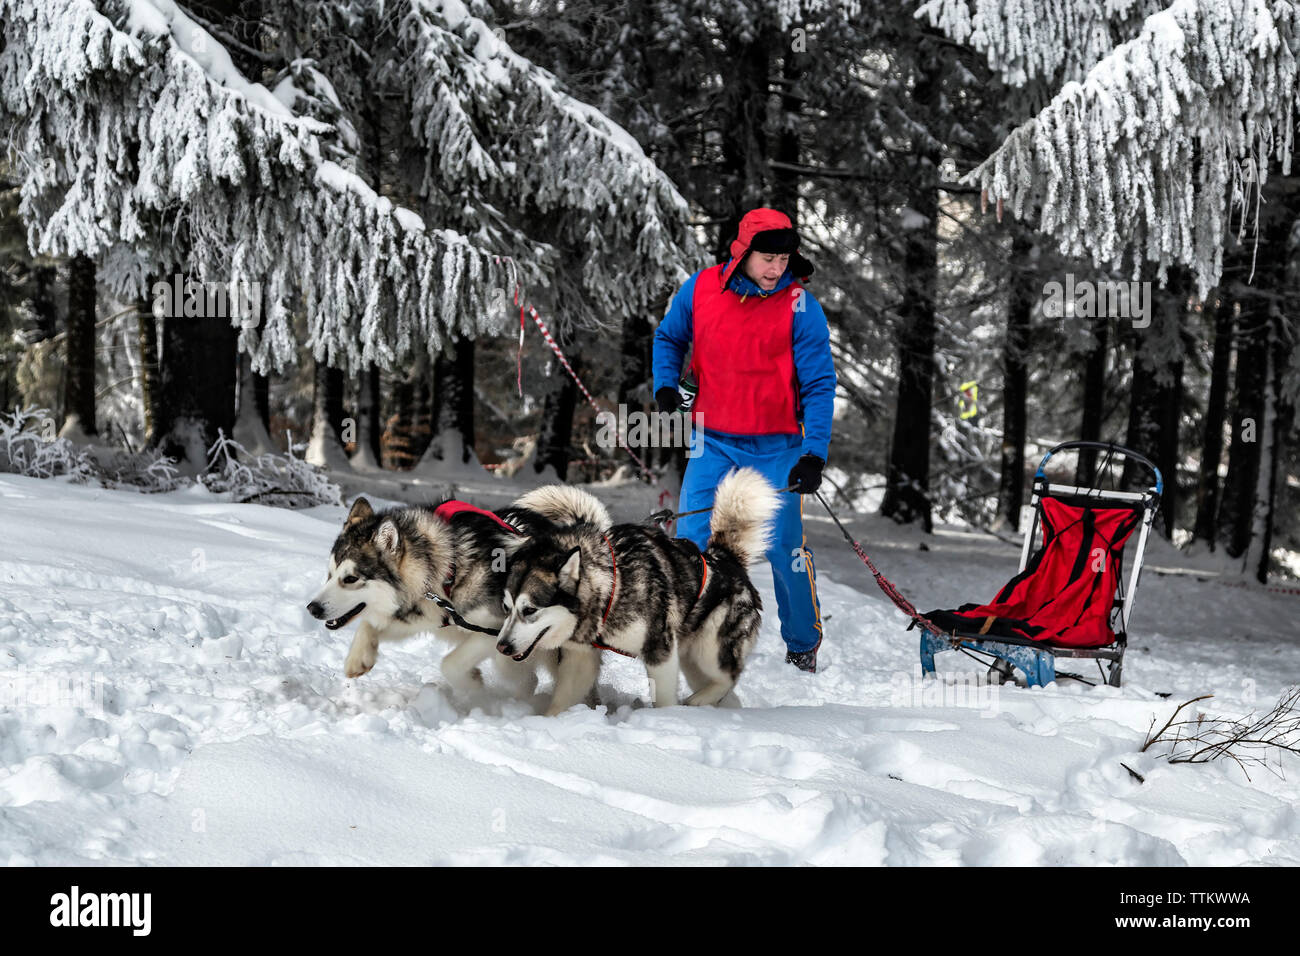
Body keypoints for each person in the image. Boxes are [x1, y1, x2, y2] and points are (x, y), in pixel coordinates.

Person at [653, 207, 837, 672]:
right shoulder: (701, 288)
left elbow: (819, 385)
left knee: (782, 548)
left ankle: (802, 642)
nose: (777, 268)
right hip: (712, 440)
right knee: (691, 542)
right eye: (768, 258)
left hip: (777, 447)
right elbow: (669, 337)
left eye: (784, 258)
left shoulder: (800, 306)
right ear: (743, 251)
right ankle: (684, 635)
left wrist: (813, 454)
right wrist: (665, 384)